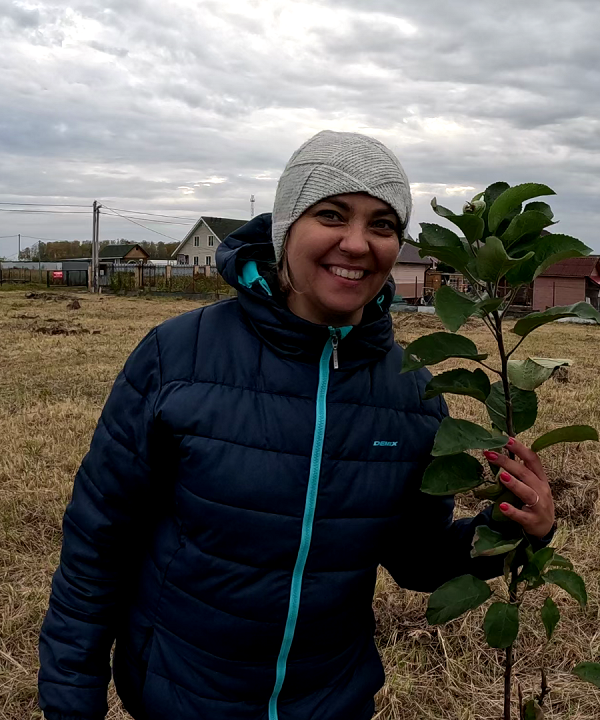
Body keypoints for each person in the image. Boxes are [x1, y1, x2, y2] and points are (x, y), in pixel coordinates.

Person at [37, 131, 557, 720]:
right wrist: (71, 703)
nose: (357, 244)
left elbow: (414, 556)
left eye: (383, 224)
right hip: (180, 698)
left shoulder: (411, 390)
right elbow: (97, 546)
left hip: (331, 703)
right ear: (286, 227)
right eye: (331, 215)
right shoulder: (177, 358)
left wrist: (511, 527)